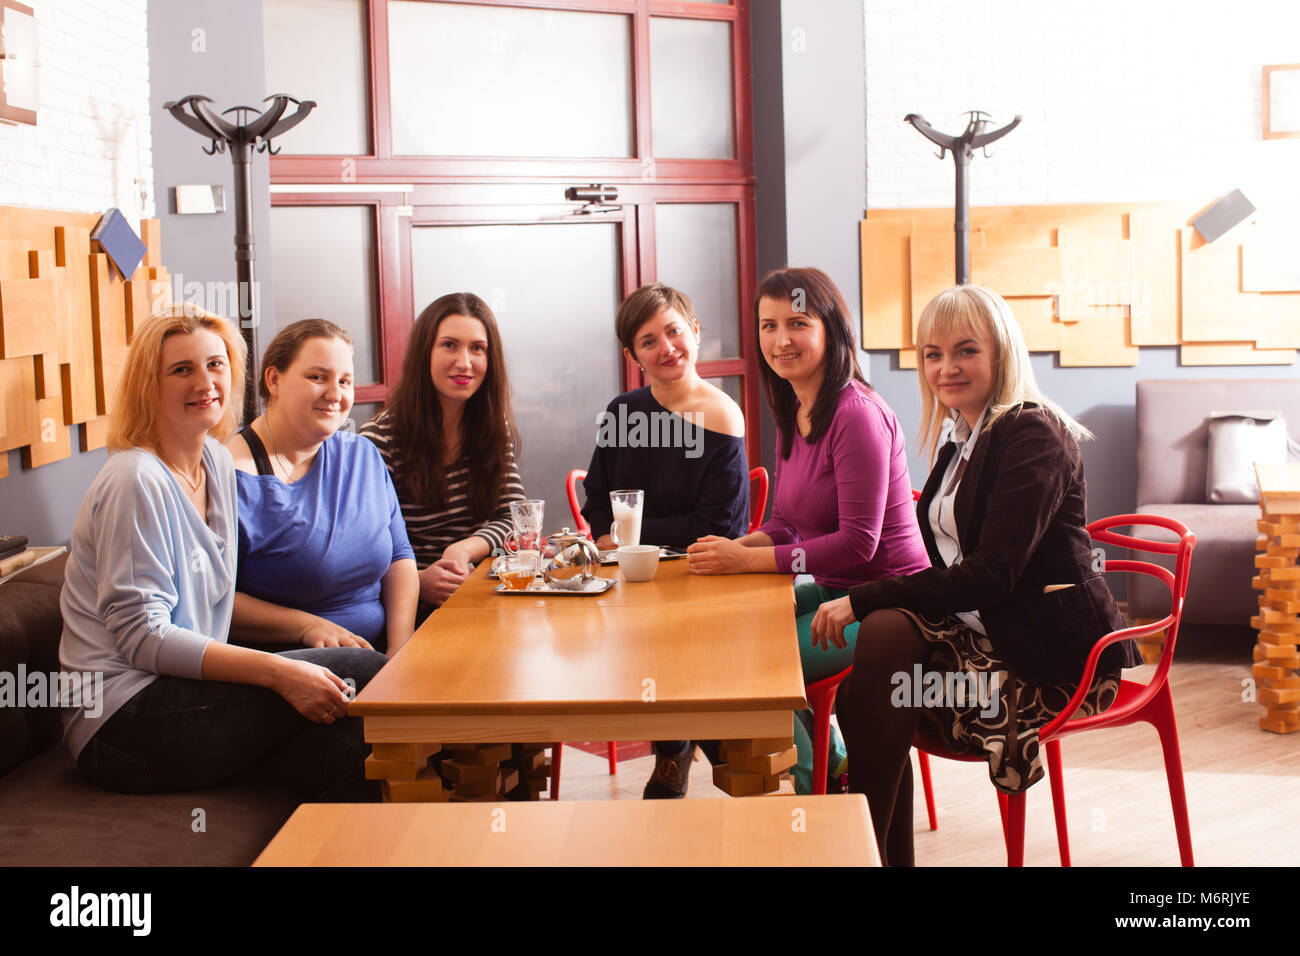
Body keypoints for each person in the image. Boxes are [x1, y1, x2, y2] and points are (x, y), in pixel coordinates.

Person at [812, 285, 1139, 866]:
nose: (947, 367)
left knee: (878, 656)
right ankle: (872, 858)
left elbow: (992, 575)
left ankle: (857, 855)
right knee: (874, 678)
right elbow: (947, 563)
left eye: (966, 351)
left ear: (1002, 353)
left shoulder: (1033, 433)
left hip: (1049, 652)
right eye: (933, 354)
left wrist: (863, 599)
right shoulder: (960, 438)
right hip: (984, 629)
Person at [58, 304, 388, 801]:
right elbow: (143, 638)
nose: (205, 382)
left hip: (185, 694)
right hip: (122, 719)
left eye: (216, 364)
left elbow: (212, 600)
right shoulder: (136, 479)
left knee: (349, 749)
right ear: (150, 386)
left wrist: (299, 633)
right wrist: (281, 672)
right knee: (365, 670)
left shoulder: (214, 460)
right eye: (181, 369)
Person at [686, 267, 931, 794]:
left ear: (831, 329)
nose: (780, 340)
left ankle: (821, 781)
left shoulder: (857, 415)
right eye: (767, 326)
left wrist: (746, 561)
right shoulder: (795, 408)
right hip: (835, 592)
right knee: (717, 645)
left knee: (752, 665)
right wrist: (735, 547)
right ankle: (832, 765)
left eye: (797, 323)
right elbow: (785, 524)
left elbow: (859, 544)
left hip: (888, 606)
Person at [580, 282, 750, 798]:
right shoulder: (622, 412)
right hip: (634, 580)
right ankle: (682, 745)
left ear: (695, 332)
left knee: (677, 645)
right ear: (633, 356)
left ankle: (695, 747)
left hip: (700, 578)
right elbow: (596, 498)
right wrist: (615, 536)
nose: (666, 347)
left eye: (674, 330)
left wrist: (627, 534)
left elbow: (717, 528)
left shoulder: (721, 415)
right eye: (648, 340)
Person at [227, 320, 418, 655]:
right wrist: (306, 625)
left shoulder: (362, 455)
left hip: (379, 655)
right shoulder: (228, 475)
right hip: (291, 667)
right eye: (318, 377)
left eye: (345, 381)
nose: (335, 395)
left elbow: (400, 559)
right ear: (274, 380)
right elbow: (212, 603)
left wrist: (400, 652)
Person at [360, 293, 525, 617]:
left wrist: (462, 550)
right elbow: (360, 554)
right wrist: (418, 581)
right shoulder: (379, 439)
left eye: (477, 348)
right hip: (408, 611)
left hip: (483, 594)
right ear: (425, 353)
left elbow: (513, 517)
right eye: (450, 345)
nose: (465, 362)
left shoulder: (492, 427)